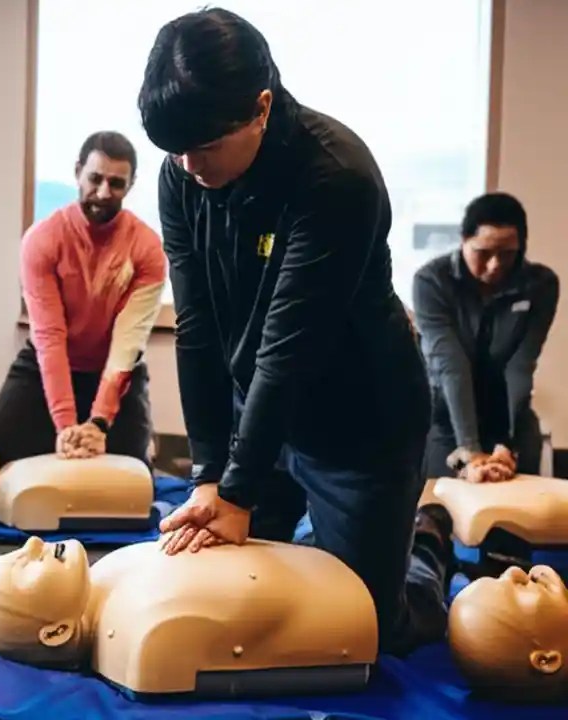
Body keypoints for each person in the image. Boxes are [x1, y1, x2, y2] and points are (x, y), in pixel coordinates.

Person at [139, 8, 452, 656]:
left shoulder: (335, 175)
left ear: (260, 108)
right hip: (256, 408)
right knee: (245, 602)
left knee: (362, 628)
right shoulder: (183, 173)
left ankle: (425, 547)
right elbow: (195, 324)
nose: (190, 166)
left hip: (358, 420)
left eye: (207, 146)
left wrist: (237, 489)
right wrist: (209, 475)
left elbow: (290, 346)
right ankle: (331, 531)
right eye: (177, 149)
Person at [0, 131, 167, 467]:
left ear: (130, 185)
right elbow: (50, 338)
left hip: (114, 369)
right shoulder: (43, 240)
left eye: (117, 184)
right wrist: (66, 426)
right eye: (95, 179)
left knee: (132, 469)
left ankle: (143, 443)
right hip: (45, 362)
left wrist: (98, 422)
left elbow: (127, 344)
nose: (104, 193)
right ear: (78, 172)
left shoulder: (148, 249)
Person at [414, 192, 559, 481]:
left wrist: (508, 442)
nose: (494, 265)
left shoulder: (541, 284)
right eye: (483, 253)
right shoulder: (431, 282)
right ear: (464, 241)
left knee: (514, 505)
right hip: (447, 415)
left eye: (507, 254)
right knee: (445, 501)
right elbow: (451, 366)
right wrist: (470, 450)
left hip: (507, 412)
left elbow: (521, 364)